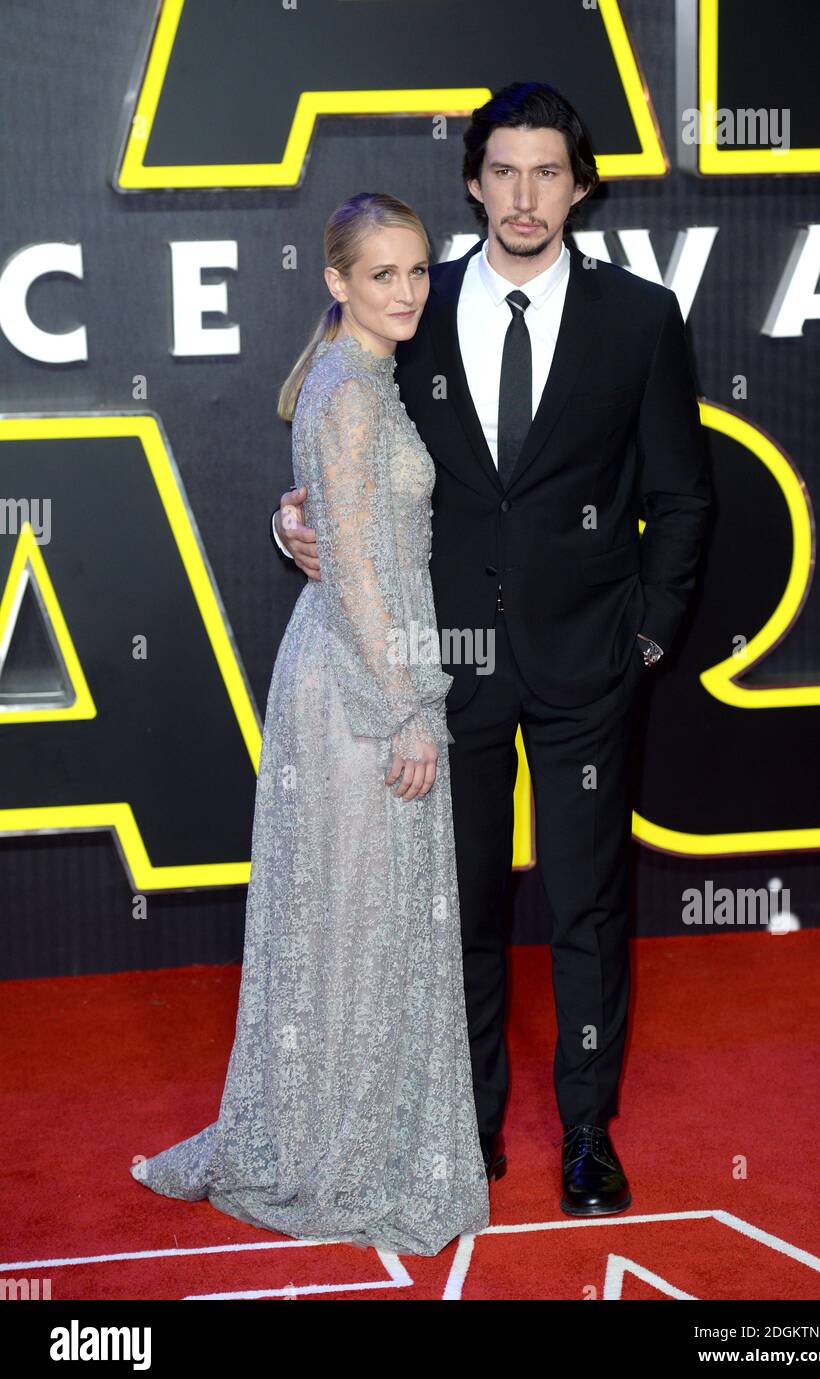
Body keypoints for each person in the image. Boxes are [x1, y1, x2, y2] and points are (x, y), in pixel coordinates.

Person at [272, 82, 711, 1216]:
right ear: (473, 181)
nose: (525, 195)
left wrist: (648, 637)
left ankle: (584, 1133)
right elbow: (349, 453)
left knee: (586, 906)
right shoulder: (416, 305)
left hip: (587, 667)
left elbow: (683, 495)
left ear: (579, 185)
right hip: (440, 665)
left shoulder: (637, 319)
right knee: (453, 911)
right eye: (503, 171)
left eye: (548, 172)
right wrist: (291, 516)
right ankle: (462, 1125)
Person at [131, 192, 490, 1257]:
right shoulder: (347, 392)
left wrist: (300, 520)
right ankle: (336, 1150)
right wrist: (409, 712)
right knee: (358, 919)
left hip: (356, 669)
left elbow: (349, 531)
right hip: (358, 686)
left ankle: (354, 1133)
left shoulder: (357, 377)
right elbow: (367, 582)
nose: (408, 291)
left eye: (418, 270)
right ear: (335, 280)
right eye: (382, 275)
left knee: (361, 921)